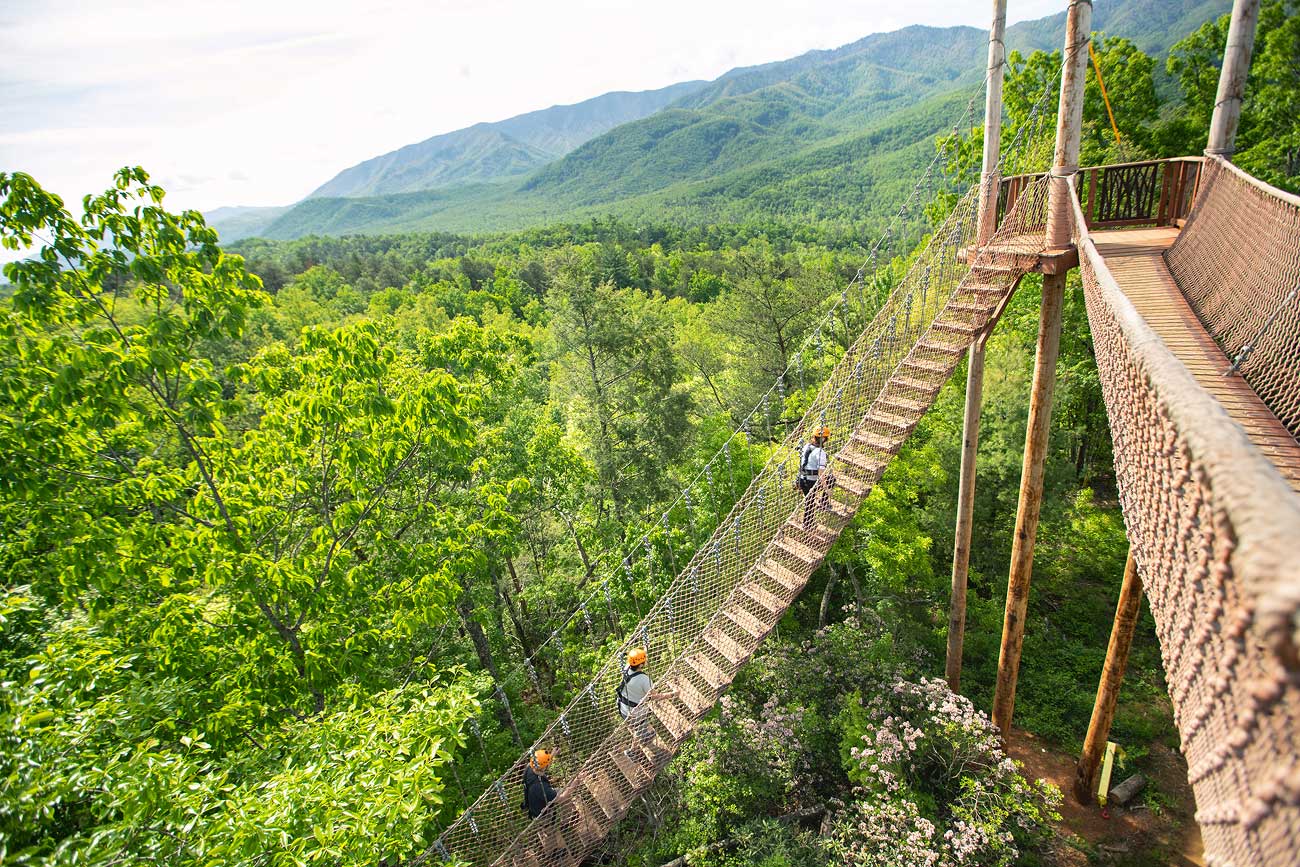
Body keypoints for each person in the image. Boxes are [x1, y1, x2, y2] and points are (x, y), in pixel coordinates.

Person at [616, 646, 676, 764]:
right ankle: (632, 751)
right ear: (641, 665)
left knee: (637, 726)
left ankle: (643, 733)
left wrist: (643, 650)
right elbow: (654, 697)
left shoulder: (626, 668)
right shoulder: (644, 680)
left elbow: (635, 659)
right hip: (635, 713)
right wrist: (672, 694)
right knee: (639, 729)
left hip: (623, 707)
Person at [797, 426, 833, 527]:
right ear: (824, 439)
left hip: (801, 479)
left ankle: (809, 522)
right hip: (811, 482)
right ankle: (808, 523)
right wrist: (827, 490)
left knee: (810, 500)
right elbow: (821, 474)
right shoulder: (821, 453)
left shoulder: (806, 446)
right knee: (831, 480)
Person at [521, 749, 558, 819]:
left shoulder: (530, 767)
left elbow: (543, 765)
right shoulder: (540, 786)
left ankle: (566, 823)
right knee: (564, 794)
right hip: (542, 814)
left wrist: (552, 755)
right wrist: (577, 780)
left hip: (533, 805)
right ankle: (565, 824)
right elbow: (562, 796)